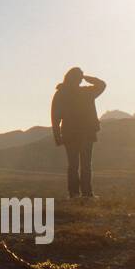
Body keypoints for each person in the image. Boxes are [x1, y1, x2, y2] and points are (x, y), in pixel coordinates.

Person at [51, 67, 106, 199]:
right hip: (85, 133)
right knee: (84, 164)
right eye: (80, 76)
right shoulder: (86, 92)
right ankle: (86, 193)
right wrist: (88, 77)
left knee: (74, 165)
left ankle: (75, 194)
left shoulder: (61, 93)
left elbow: (55, 117)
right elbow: (102, 85)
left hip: (71, 134)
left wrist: (58, 136)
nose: (81, 79)